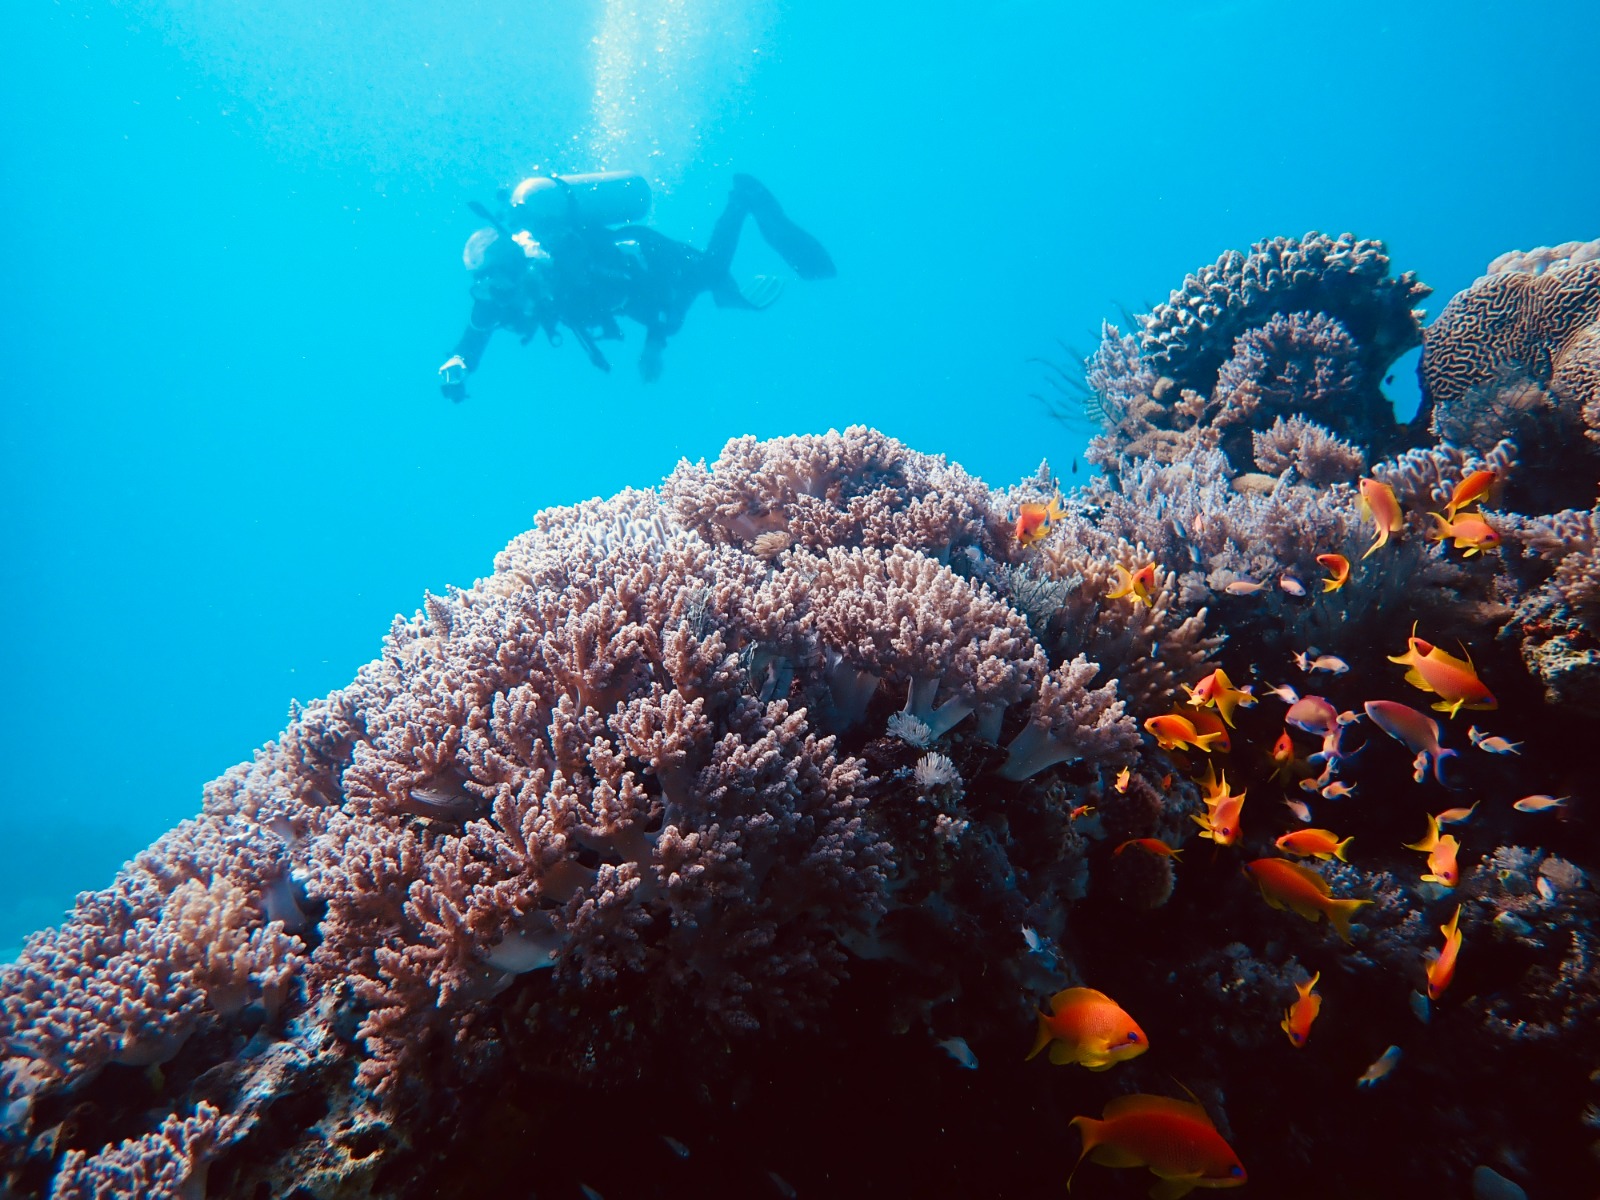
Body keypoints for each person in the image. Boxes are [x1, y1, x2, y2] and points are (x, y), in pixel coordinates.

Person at [438, 172, 834, 400]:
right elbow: (477, 330)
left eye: (498, 288)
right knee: (701, 298)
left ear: (517, 272)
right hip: (633, 289)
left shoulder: (573, 271)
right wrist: (460, 363)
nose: (496, 300)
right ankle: (724, 279)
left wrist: (654, 346)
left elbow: (653, 297)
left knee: (711, 273)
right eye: (485, 291)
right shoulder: (506, 291)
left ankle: (742, 197)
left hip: (652, 260)